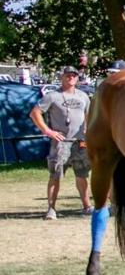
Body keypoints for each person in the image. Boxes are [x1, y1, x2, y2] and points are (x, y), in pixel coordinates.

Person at [30, 66, 92, 218]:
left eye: (74, 75)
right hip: (61, 142)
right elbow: (35, 113)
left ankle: (87, 206)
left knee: (82, 175)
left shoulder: (83, 96)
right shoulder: (52, 96)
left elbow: (89, 116)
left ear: (77, 78)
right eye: (68, 75)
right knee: (55, 175)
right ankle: (51, 209)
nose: (71, 78)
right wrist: (48, 131)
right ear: (61, 77)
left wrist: (88, 131)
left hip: (80, 143)